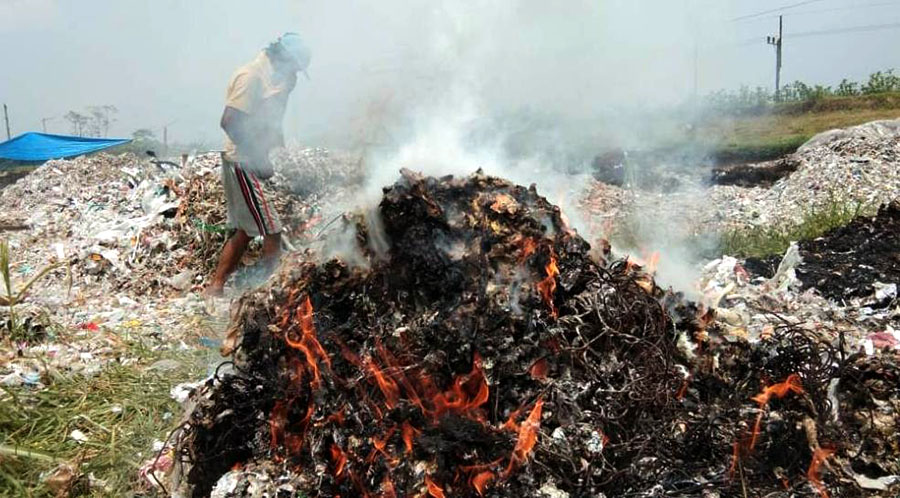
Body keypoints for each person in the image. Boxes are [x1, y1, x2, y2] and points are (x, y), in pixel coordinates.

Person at [205, 33, 311, 296]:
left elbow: (271, 116)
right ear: (282, 57)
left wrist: (277, 145)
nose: (295, 74)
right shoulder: (251, 77)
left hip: (249, 159)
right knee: (271, 229)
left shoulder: (278, 78)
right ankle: (267, 291)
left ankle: (215, 287)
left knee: (245, 230)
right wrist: (260, 159)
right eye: (294, 67)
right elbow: (229, 122)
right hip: (242, 161)